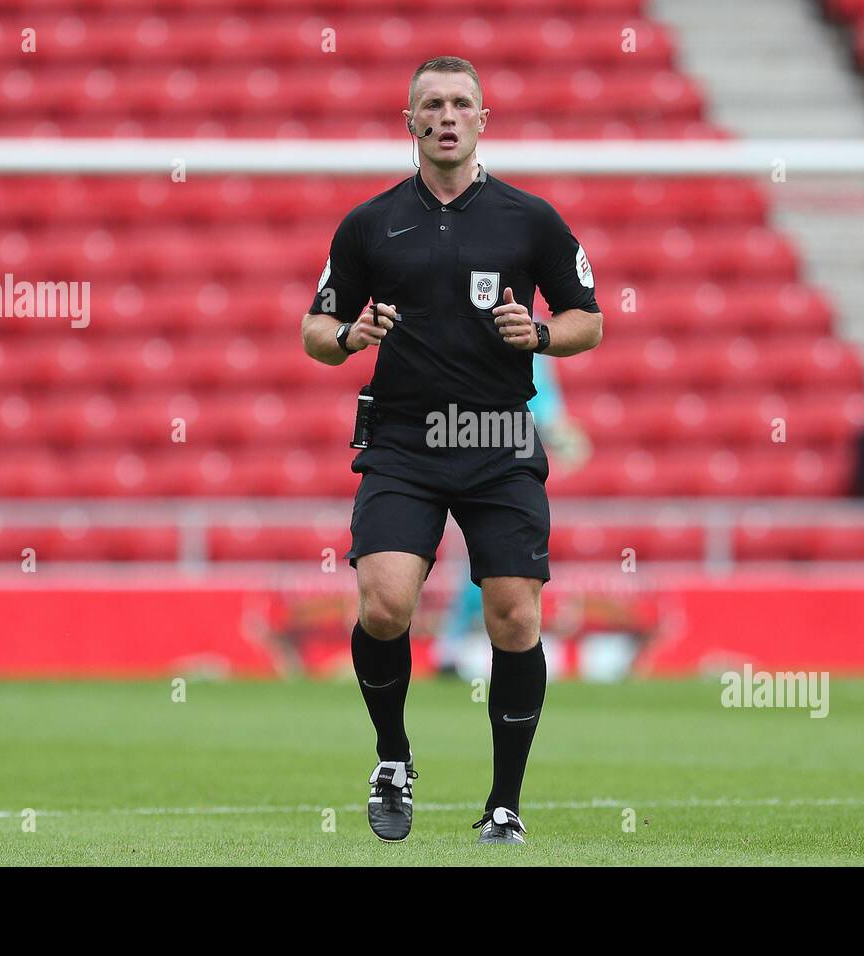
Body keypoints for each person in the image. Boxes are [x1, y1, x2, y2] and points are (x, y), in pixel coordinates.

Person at [299, 56, 604, 845]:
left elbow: (588, 319)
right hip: (404, 438)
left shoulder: (530, 219)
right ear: (409, 122)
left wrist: (538, 333)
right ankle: (394, 757)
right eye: (431, 103)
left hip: (499, 436)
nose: (446, 114)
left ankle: (505, 802)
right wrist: (347, 335)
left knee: (512, 616)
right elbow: (314, 331)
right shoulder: (369, 223)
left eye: (460, 103)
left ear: (481, 120)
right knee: (385, 604)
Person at [435, 353, 591, 678]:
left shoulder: (521, 325)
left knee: (494, 558)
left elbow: (542, 394)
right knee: (494, 558)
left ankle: (460, 646)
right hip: (487, 441)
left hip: (503, 445)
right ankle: (470, 647)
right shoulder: (516, 321)